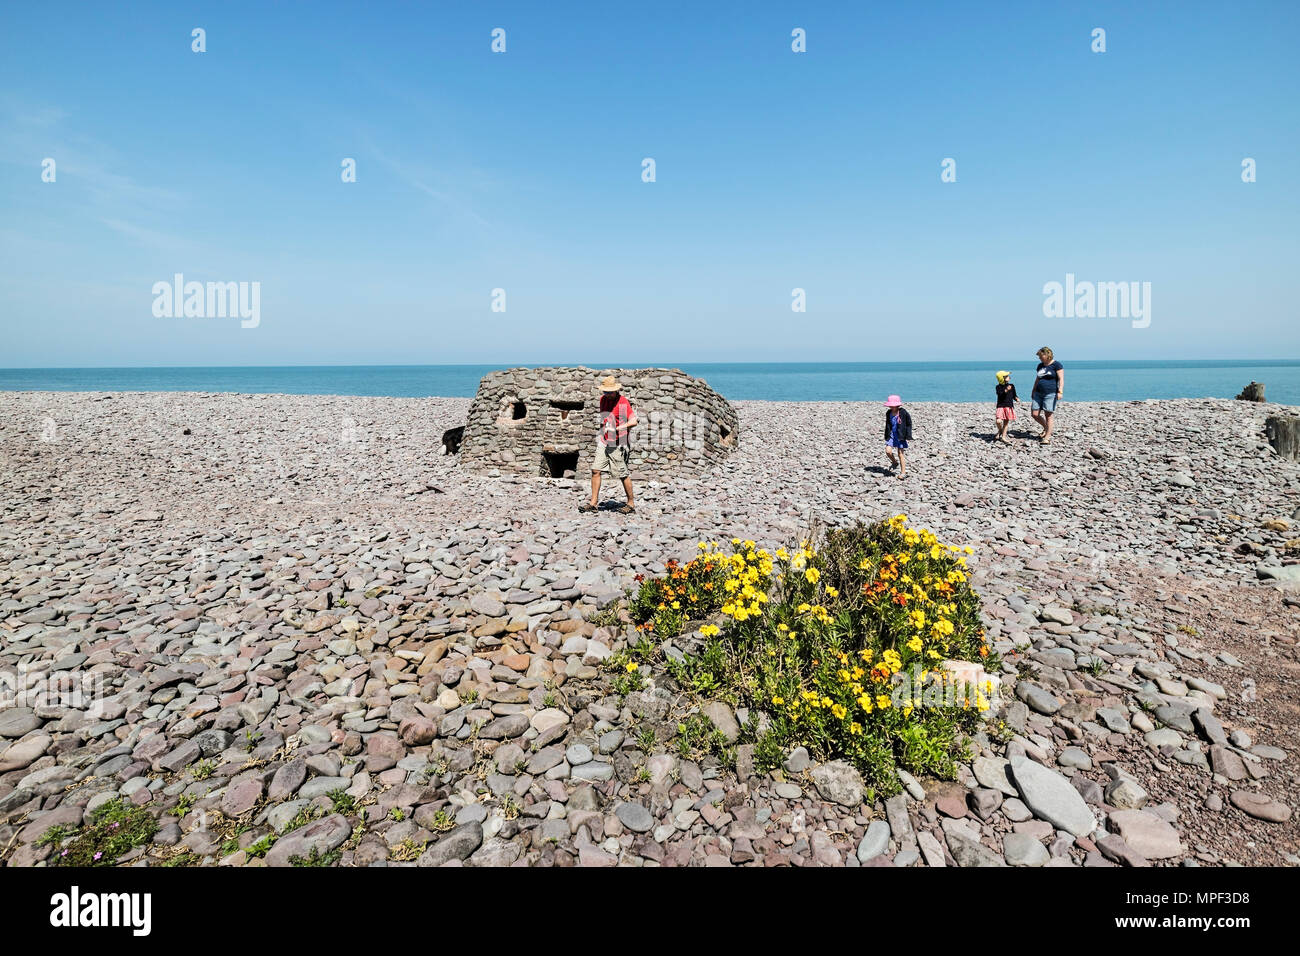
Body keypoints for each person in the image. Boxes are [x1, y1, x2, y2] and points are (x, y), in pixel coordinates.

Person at [579, 375, 638, 514]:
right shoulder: (603, 400)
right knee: (595, 470)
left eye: (609, 392)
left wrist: (617, 429)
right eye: (605, 392)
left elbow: (633, 421)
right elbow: (605, 417)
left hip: (618, 442)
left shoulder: (623, 402)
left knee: (622, 474)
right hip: (605, 441)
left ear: (616, 391)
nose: (606, 394)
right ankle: (593, 504)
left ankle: (631, 504)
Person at [1030, 347, 1064, 444]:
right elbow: (1037, 378)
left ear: (1047, 355)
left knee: (1048, 415)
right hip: (1038, 393)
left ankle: (1047, 437)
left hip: (1050, 393)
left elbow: (1061, 379)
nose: (1040, 358)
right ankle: (1046, 427)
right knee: (1034, 414)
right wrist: (1033, 390)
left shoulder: (1056, 365)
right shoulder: (1040, 365)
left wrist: (1060, 391)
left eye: (1041, 356)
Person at [883, 395, 912, 478]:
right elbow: (888, 424)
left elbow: (909, 423)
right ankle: (895, 462)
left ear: (897, 405)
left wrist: (908, 434)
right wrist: (886, 434)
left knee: (900, 453)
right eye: (890, 405)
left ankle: (903, 473)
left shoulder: (903, 412)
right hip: (891, 434)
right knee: (888, 451)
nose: (891, 406)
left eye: (892, 405)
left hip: (900, 435)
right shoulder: (888, 413)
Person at [994, 370, 1019, 443]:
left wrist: (1016, 398)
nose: (1009, 377)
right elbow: (1000, 394)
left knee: (1006, 422)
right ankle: (1000, 430)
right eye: (1007, 376)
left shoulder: (1012, 386)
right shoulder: (998, 387)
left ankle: (1004, 436)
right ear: (1002, 378)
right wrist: (1006, 390)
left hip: (1009, 406)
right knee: (998, 421)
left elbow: (1014, 394)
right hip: (1001, 406)